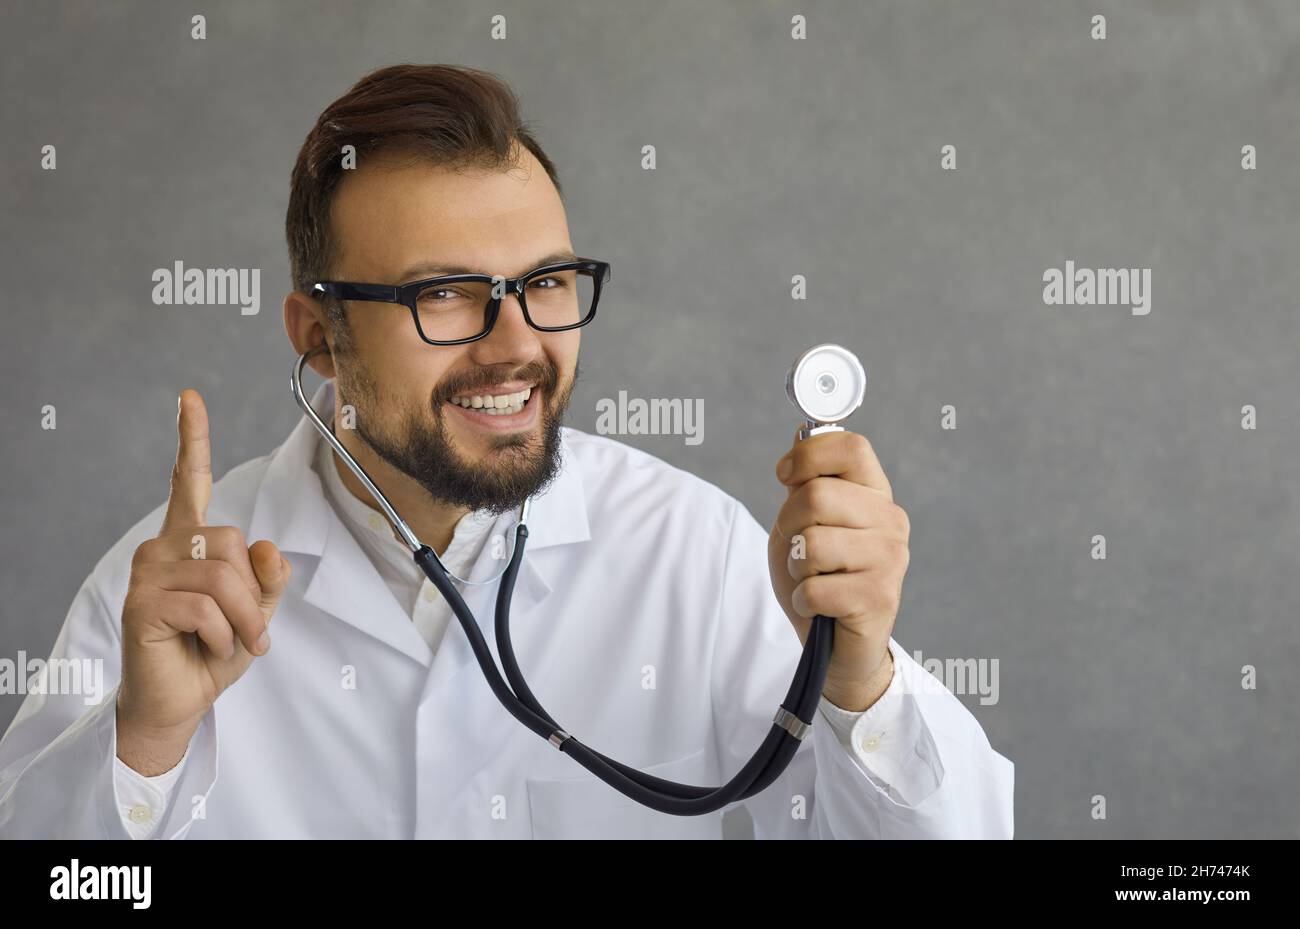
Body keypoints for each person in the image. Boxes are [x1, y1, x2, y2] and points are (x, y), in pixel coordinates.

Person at [0, 64, 1012, 839]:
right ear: (317, 335)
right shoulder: (167, 605)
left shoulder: (690, 550)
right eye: (443, 293)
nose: (519, 342)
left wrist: (859, 675)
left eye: (547, 280)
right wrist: (144, 744)